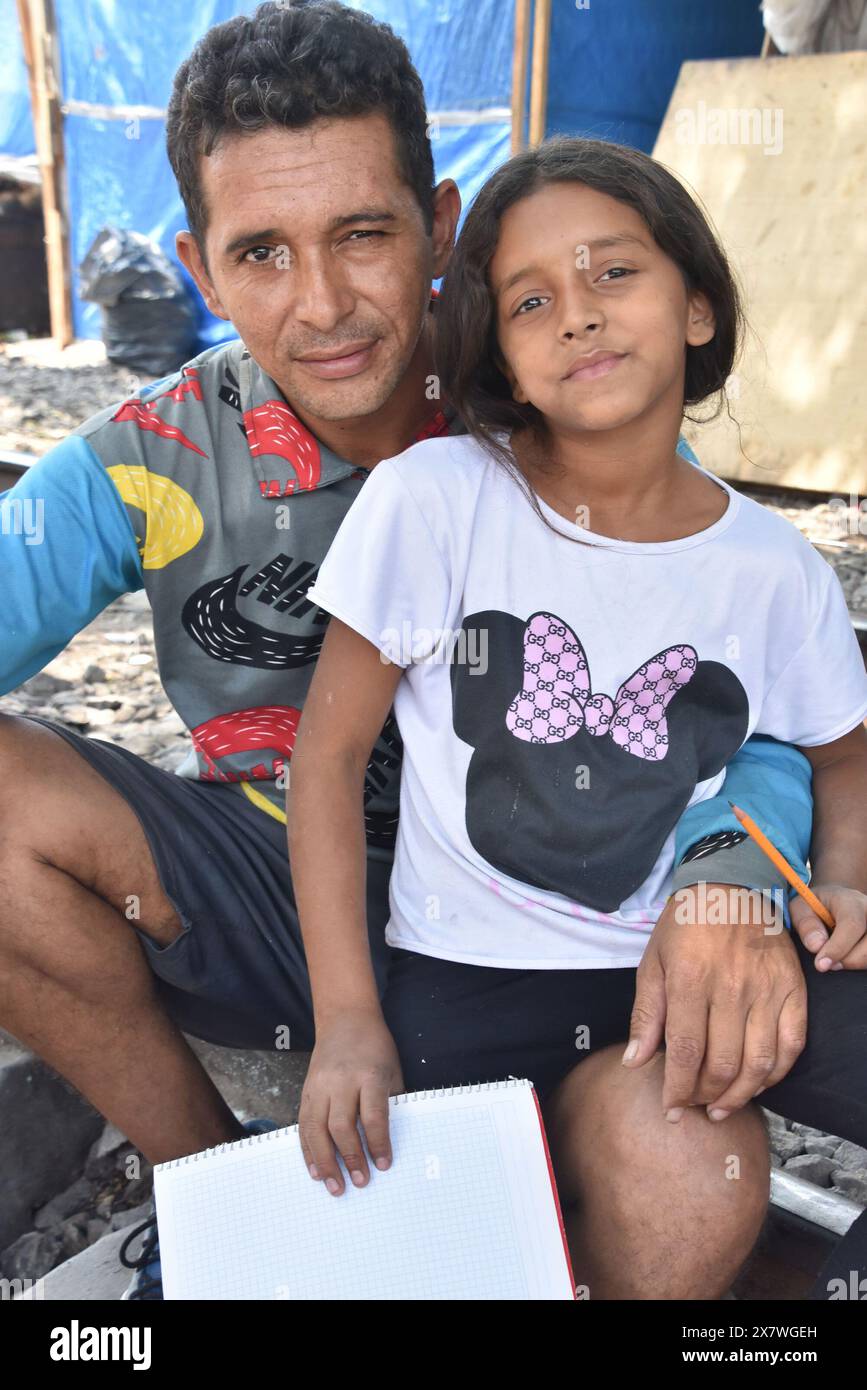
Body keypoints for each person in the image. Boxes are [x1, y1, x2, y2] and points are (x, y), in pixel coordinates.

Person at [0, 0, 848, 1300]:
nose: (324, 303)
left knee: (685, 1177)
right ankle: (224, 1201)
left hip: (564, 907)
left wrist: (728, 863)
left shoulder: (561, 408)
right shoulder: (145, 457)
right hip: (289, 900)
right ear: (197, 266)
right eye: (262, 253)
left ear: (439, 227)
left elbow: (745, 680)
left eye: (362, 234)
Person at [287, 134, 867, 1299]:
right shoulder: (437, 501)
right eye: (531, 300)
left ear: (698, 305)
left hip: (674, 977)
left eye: (616, 273)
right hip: (460, 986)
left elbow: (842, 754)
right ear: (499, 353)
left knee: (720, 1155)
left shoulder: (775, 570)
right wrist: (348, 1020)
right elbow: (327, 762)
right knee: (437, 1260)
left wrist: (843, 878)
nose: (579, 316)